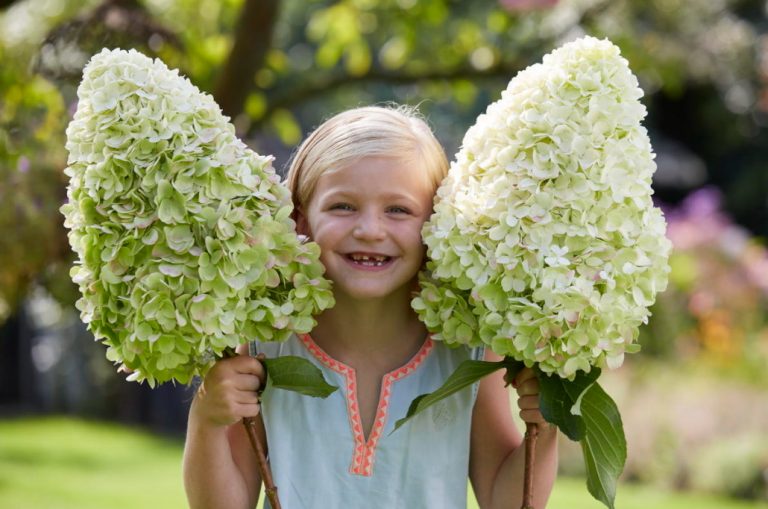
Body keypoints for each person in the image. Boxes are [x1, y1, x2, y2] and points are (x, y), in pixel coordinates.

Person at [183, 105, 558, 509]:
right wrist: (207, 418)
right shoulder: (268, 345)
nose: (369, 230)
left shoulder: (466, 351)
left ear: (436, 224)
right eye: (342, 206)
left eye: (398, 210)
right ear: (301, 219)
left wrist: (548, 425)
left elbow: (507, 502)